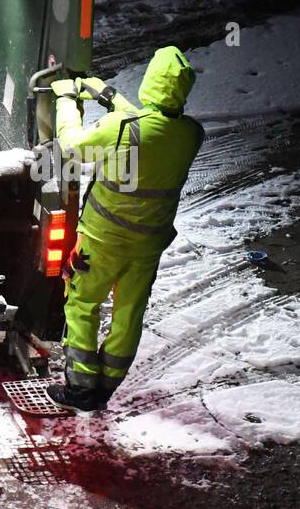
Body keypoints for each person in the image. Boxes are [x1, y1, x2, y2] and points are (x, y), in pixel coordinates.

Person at [46, 46, 203, 412]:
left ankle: (81, 390)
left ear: (151, 80)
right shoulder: (191, 135)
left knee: (83, 304)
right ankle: (105, 388)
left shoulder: (122, 129)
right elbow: (150, 126)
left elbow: (72, 146)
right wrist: (112, 97)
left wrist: (67, 100)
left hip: (103, 241)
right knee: (129, 313)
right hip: (147, 247)